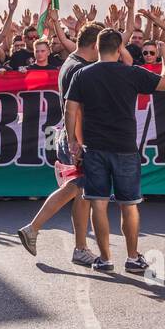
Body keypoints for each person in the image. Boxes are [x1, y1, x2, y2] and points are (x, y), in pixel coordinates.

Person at [64, 31, 165, 274]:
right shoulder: (131, 73)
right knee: (129, 204)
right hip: (124, 147)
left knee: (98, 204)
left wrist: (72, 140)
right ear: (120, 48)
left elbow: (70, 109)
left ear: (96, 46)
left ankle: (105, 258)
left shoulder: (82, 74)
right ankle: (133, 257)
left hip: (94, 148)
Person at [16, 22, 104, 266]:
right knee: (76, 188)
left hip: (71, 135)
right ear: (95, 44)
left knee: (80, 191)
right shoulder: (80, 68)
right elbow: (74, 109)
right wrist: (77, 143)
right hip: (75, 136)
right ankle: (34, 229)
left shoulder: (71, 62)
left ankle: (79, 248)